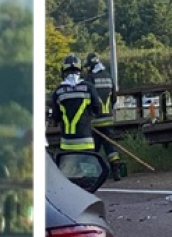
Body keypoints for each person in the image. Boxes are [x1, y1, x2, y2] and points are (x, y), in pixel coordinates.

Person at [50, 54, 102, 155]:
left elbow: (55, 116)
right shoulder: (89, 87)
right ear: (80, 70)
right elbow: (97, 108)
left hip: (67, 144)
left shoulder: (58, 91)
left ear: (63, 71)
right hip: (86, 141)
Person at [83, 52, 125, 180]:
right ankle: (115, 169)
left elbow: (87, 99)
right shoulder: (108, 77)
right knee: (110, 146)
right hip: (108, 119)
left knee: (93, 148)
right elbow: (113, 99)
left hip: (95, 121)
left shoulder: (90, 79)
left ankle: (92, 174)